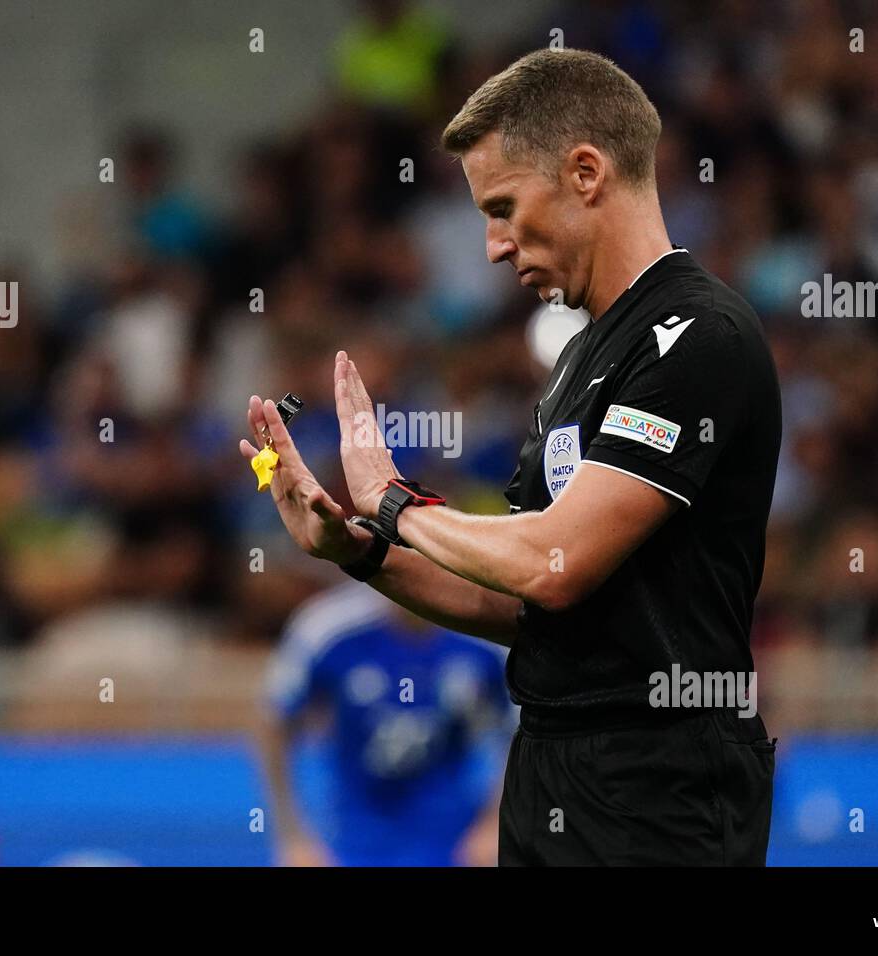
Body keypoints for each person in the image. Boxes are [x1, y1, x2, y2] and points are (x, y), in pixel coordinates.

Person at [239, 48, 782, 865]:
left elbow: (553, 565)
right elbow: (526, 607)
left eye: (502, 207)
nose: (493, 245)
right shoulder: (575, 363)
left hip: (659, 782)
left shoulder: (697, 337)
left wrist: (393, 499)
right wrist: (363, 551)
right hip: (551, 766)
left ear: (587, 173)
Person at [260, 580, 512, 866]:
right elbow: (274, 723)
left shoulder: (484, 629)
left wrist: (494, 823)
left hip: (454, 844)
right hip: (350, 844)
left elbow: (519, 728)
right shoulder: (326, 628)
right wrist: (294, 838)